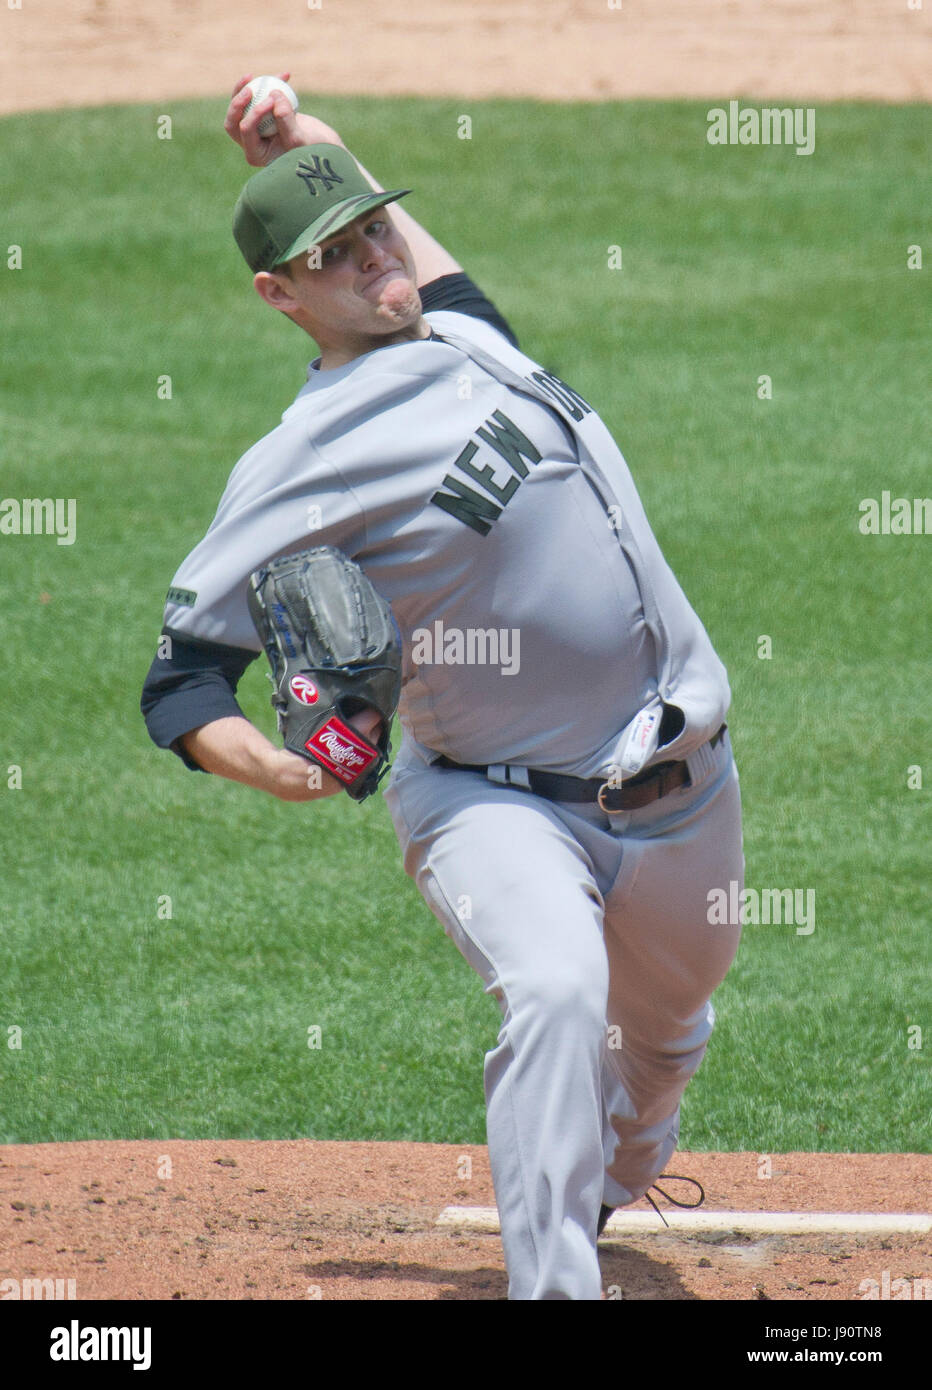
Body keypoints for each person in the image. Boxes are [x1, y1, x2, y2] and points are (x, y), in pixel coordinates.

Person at [140, 75, 745, 1300]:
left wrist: (312, 147)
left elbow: (430, 270)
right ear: (281, 294)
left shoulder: (460, 333)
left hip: (683, 785)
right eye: (333, 253)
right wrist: (274, 765)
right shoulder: (305, 454)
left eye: (373, 229)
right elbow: (181, 678)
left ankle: (623, 1161)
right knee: (560, 991)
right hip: (490, 798)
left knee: (664, 1043)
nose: (371, 258)